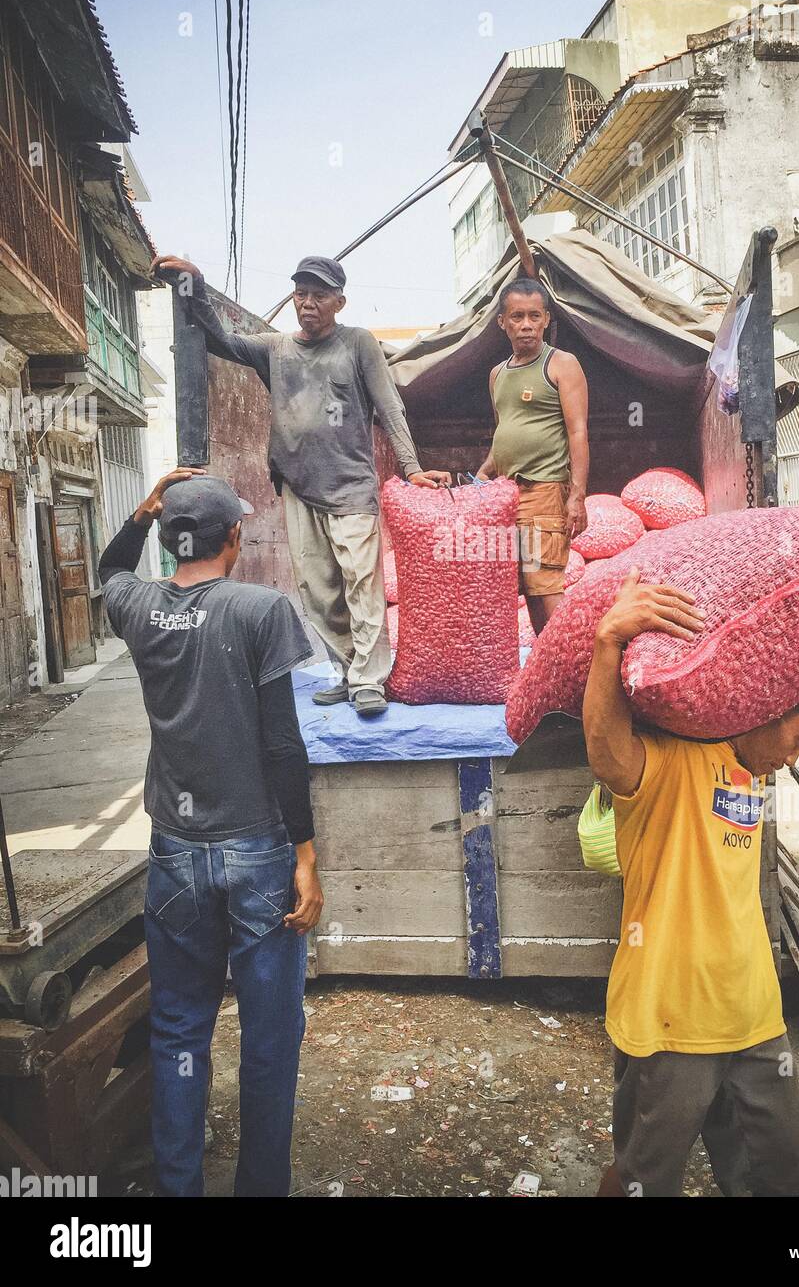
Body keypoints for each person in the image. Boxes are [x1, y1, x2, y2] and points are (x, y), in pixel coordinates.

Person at [99, 469, 323, 1198]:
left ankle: (178, 1188)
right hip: (257, 852)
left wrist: (145, 506)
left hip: (175, 855)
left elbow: (109, 570)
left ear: (167, 539)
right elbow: (285, 746)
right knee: (267, 1040)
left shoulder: (140, 608)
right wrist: (306, 853)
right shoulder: (261, 611)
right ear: (234, 537)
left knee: (180, 1033)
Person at [583, 567, 799, 1198]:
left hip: (754, 1015)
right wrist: (608, 642)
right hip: (670, 1017)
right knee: (644, 1176)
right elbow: (606, 750)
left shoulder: (751, 775)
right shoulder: (672, 763)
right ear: (772, 706)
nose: (792, 757)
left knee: (780, 1179)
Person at [151, 253, 451, 718]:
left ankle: (370, 681)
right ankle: (352, 672)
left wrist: (411, 468)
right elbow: (221, 340)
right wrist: (194, 285)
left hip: (351, 489)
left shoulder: (358, 343)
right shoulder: (276, 348)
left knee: (361, 585)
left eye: (319, 295)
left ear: (339, 301)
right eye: (301, 293)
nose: (308, 302)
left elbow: (390, 406)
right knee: (318, 592)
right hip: (298, 488)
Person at [475, 277, 589, 634]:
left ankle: (567, 671)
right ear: (502, 322)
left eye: (534, 316)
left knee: (546, 583)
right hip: (506, 497)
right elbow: (502, 437)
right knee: (526, 588)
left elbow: (578, 432)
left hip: (545, 490)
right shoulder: (497, 375)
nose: (526, 325)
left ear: (546, 320)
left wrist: (577, 496)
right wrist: (479, 481)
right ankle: (545, 668)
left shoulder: (561, 364)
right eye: (517, 316)